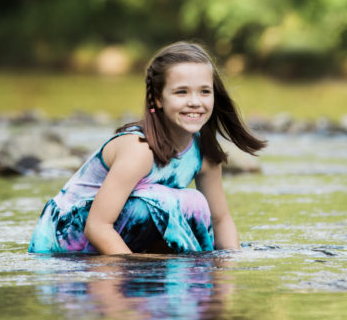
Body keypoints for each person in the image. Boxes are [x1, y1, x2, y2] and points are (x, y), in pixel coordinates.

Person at [28, 41, 266, 254]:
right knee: (178, 201)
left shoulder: (204, 153)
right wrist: (133, 270)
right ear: (158, 99)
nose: (195, 102)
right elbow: (97, 226)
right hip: (65, 238)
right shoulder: (139, 149)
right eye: (181, 92)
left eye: (204, 91)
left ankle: (176, 269)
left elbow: (220, 219)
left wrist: (229, 269)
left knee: (193, 206)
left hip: (121, 231)